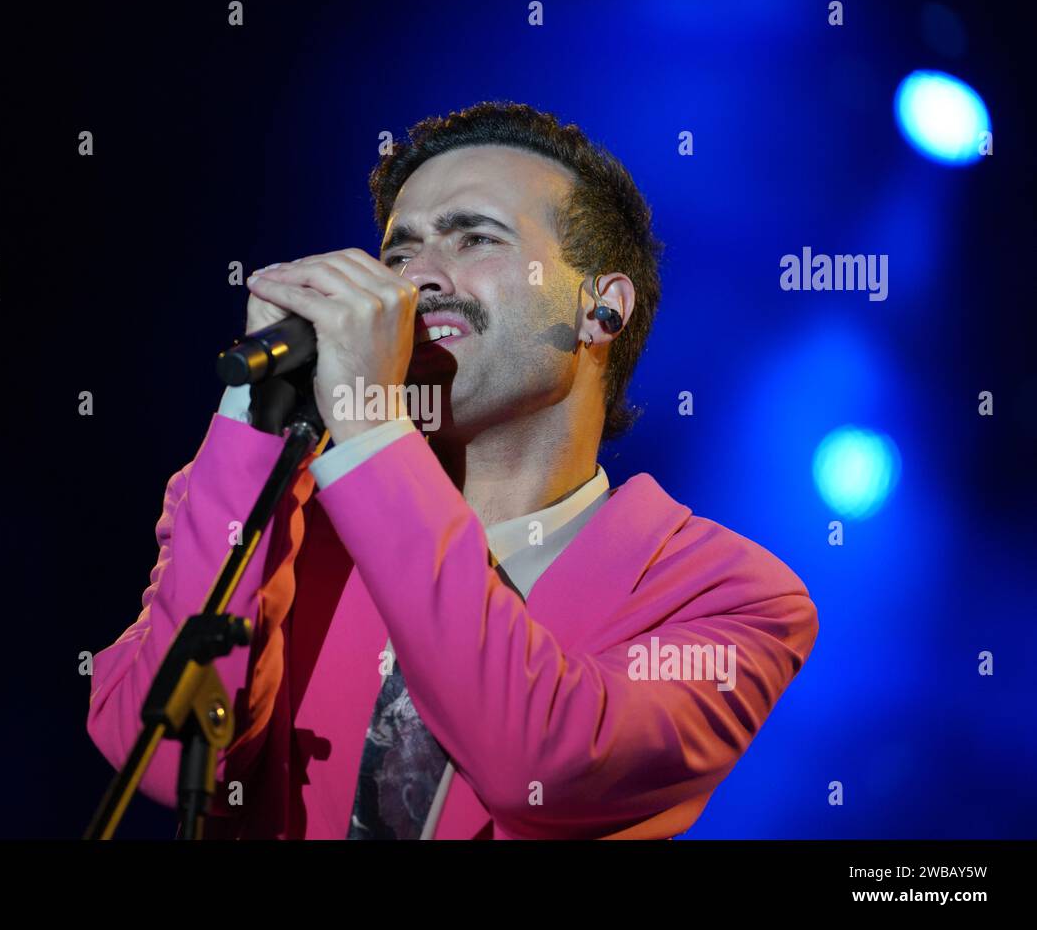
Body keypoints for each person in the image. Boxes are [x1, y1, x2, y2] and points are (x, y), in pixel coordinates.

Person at [87, 101, 819, 839]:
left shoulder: (733, 596)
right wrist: (254, 415)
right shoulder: (274, 512)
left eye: (475, 238)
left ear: (601, 307)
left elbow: (540, 767)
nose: (416, 282)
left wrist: (370, 425)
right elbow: (162, 758)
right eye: (399, 254)